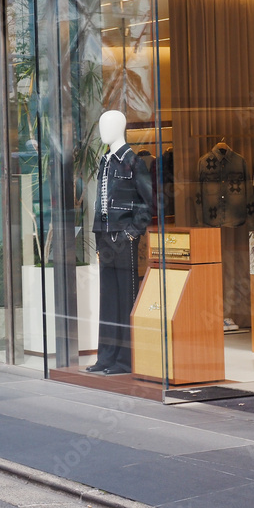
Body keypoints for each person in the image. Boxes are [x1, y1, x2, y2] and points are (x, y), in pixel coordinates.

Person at [87, 110, 154, 375]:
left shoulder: (133, 162)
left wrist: (130, 233)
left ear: (121, 127)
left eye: (109, 124)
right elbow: (100, 201)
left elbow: (148, 204)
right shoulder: (105, 161)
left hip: (123, 239)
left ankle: (125, 360)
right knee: (108, 299)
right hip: (105, 237)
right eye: (102, 123)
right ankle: (106, 356)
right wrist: (99, 235)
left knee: (126, 298)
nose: (104, 129)